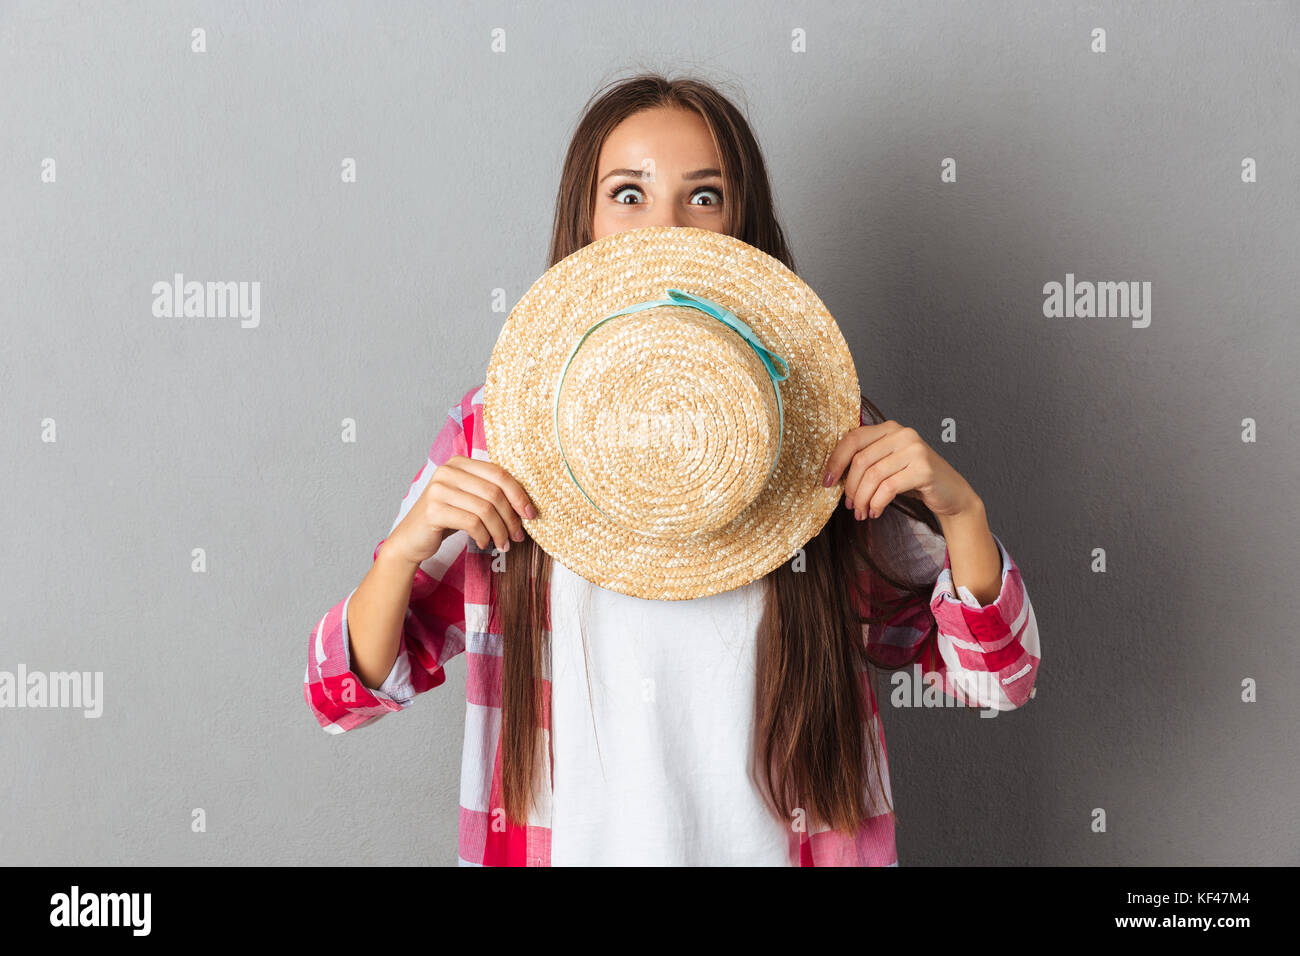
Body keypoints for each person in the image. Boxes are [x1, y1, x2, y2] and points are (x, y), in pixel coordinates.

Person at [303, 72, 1041, 866]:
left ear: (741, 224)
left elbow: (997, 682)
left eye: (703, 196)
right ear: (584, 222)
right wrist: (406, 549)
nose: (666, 227)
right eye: (628, 194)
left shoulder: (820, 429)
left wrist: (963, 517)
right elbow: (343, 698)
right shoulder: (502, 428)